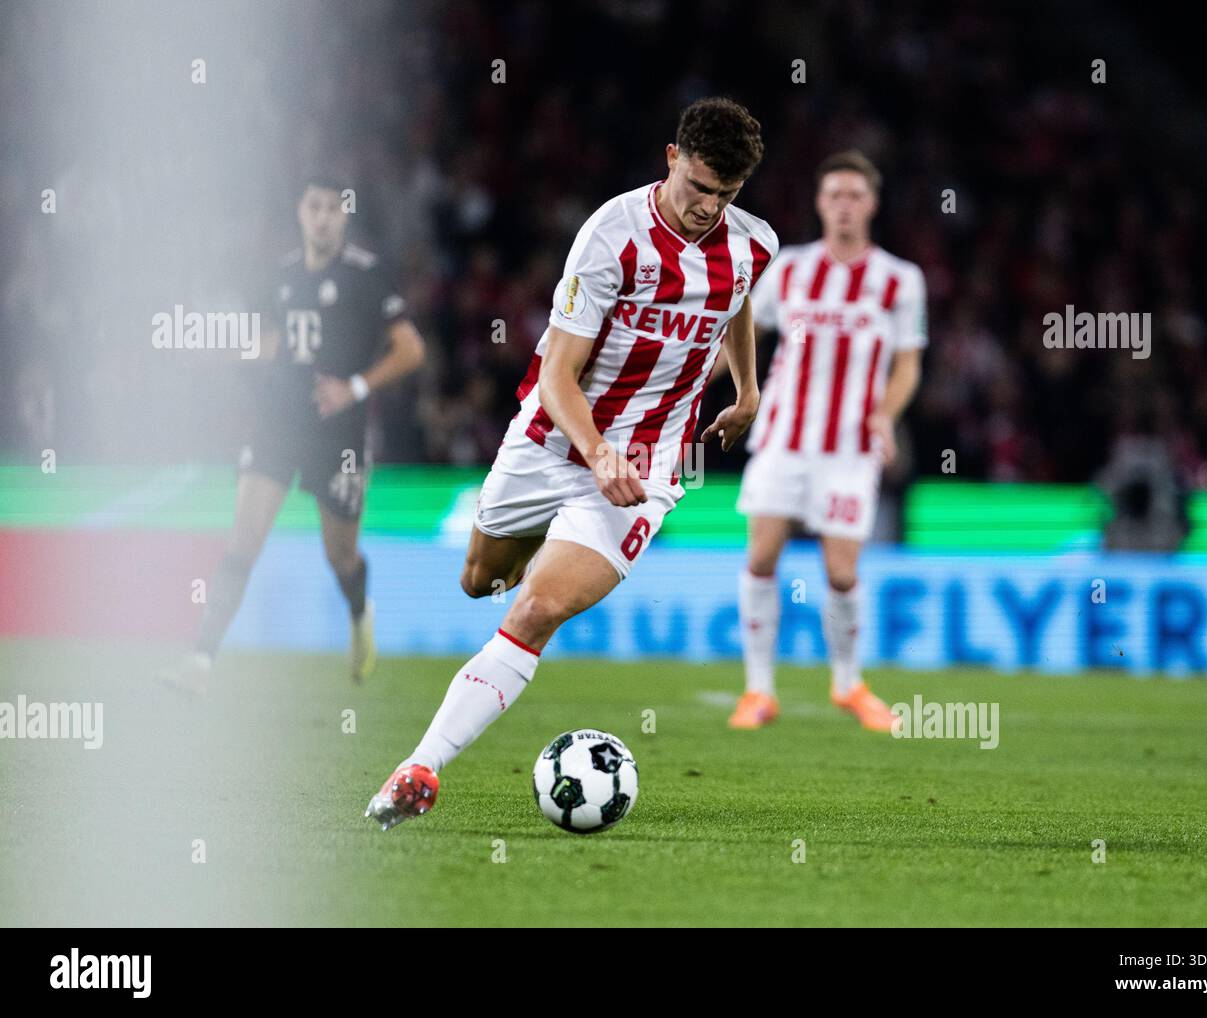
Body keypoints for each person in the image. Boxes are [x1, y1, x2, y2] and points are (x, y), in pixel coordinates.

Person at [365, 97, 778, 830]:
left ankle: (419, 767)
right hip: (555, 439)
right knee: (480, 581)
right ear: (672, 158)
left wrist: (746, 389)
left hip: (646, 468)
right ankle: (541, 552)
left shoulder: (752, 245)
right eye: (699, 189)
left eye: (727, 196)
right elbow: (558, 375)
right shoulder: (610, 238)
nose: (708, 209)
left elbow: (735, 301)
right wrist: (596, 450)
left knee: (538, 607)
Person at [162, 176, 425, 693]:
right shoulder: (279, 277)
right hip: (278, 426)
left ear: (344, 215)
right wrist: (217, 347)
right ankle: (200, 660)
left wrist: (354, 386)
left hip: (340, 438)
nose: (323, 216)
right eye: (314, 207)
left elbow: (411, 349)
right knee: (243, 542)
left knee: (339, 556)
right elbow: (269, 345)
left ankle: (359, 614)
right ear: (300, 213)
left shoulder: (366, 276)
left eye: (332, 207)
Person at [728, 151, 926, 731]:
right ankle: (759, 692)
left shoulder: (898, 280)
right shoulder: (789, 268)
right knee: (761, 557)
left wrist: (886, 415)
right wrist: (691, 385)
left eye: (854, 196)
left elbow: (908, 364)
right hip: (783, 439)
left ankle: (848, 683)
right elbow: (741, 333)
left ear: (872, 204)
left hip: (849, 449)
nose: (843, 206)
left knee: (841, 571)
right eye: (833, 194)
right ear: (819, 203)